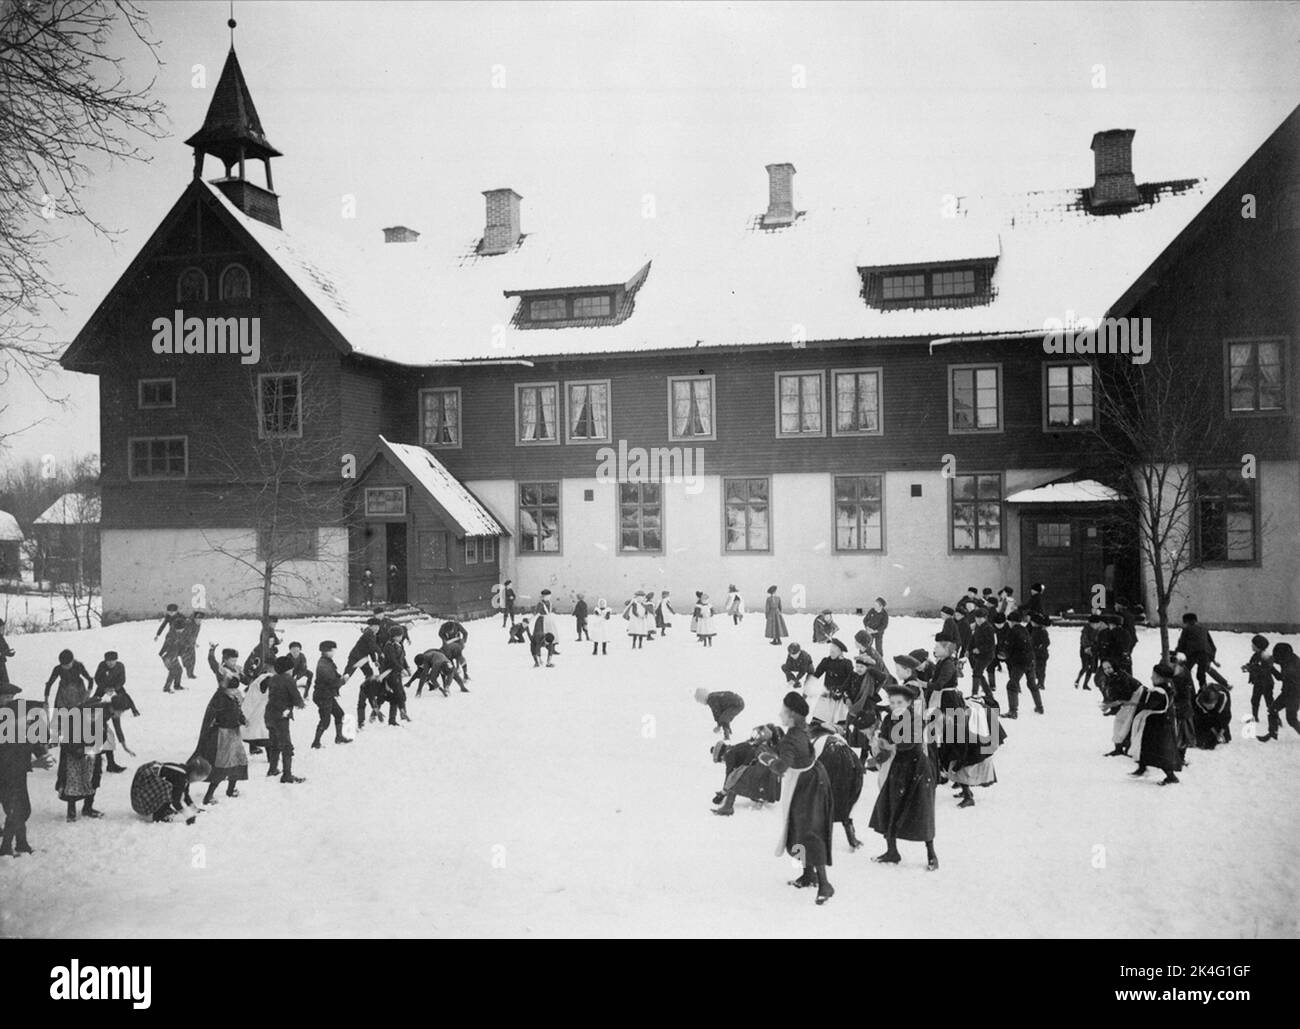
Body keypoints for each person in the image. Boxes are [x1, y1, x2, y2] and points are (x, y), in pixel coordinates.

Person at [757, 691, 835, 905]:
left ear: (791, 715)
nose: (779, 714)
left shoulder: (791, 738)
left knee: (809, 831)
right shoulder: (799, 730)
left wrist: (765, 757)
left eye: (783, 711)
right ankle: (808, 875)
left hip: (806, 786)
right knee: (800, 828)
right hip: (812, 780)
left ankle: (825, 884)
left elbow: (781, 767)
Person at [868, 680, 939, 871]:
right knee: (890, 806)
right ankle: (892, 851)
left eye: (899, 703)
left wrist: (891, 746)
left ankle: (931, 854)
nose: (895, 707)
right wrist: (879, 755)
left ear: (908, 703)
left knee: (921, 810)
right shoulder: (888, 719)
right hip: (898, 767)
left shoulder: (916, 718)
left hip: (917, 768)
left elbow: (909, 742)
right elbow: (883, 739)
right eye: (892, 703)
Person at [0, 684, 52, 855]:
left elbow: (29, 738)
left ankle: (21, 844)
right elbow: (5, 760)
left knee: (23, 809)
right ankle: (6, 848)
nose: (9, 700)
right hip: (5, 776)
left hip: (18, 774)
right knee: (15, 809)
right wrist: (33, 764)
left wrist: (41, 754)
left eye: (11, 697)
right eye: (6, 697)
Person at [195, 647, 250, 803]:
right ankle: (209, 795)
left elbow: (247, 681)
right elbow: (227, 715)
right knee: (224, 764)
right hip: (225, 733)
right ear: (225, 659)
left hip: (232, 731)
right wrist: (211, 652)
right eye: (231, 659)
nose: (234, 662)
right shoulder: (223, 690)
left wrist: (242, 719)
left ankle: (230, 789)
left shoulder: (232, 695)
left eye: (235, 659)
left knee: (238, 760)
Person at [809, 721, 865, 849]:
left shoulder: (817, 740)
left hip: (830, 758)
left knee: (822, 802)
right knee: (846, 799)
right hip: (852, 762)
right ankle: (851, 836)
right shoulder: (840, 740)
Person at [1126, 663, 1183, 785]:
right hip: (1155, 724)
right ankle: (1142, 768)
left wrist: (1130, 703)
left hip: (1158, 727)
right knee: (1144, 746)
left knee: (1159, 751)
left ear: (1161, 678)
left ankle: (1171, 776)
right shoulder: (1166, 689)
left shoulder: (1159, 692)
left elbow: (1150, 705)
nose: (1151, 678)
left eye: (1154, 676)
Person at [710, 724, 783, 815]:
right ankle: (759, 796)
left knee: (734, 778)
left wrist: (722, 793)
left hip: (759, 764)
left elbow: (729, 775)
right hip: (763, 764)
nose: (723, 762)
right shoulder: (737, 747)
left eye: (721, 760)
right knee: (738, 777)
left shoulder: (729, 754)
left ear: (722, 755)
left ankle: (728, 807)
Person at [92, 651, 138, 771]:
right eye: (121, 712)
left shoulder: (113, 711)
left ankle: (110, 764)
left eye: (113, 660)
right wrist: (105, 688)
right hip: (83, 721)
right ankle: (95, 762)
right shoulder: (99, 710)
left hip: (115, 686)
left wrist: (125, 746)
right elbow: (97, 678)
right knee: (102, 737)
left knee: (108, 736)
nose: (120, 715)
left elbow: (118, 729)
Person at [130, 757, 210, 824]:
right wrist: (188, 815)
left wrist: (194, 809)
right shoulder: (181, 777)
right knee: (169, 789)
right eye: (199, 779)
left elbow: (185, 794)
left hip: (146, 786)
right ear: (194, 774)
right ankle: (158, 815)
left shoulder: (185, 773)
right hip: (141, 794)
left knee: (173, 790)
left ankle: (163, 809)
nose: (197, 781)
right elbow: (176, 800)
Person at [265, 655, 306, 782]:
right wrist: (301, 704)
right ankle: (287, 775)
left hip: (269, 715)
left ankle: (272, 769)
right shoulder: (288, 679)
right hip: (281, 716)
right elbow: (295, 696)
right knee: (286, 746)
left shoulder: (273, 679)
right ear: (288, 669)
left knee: (274, 743)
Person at [312, 641, 353, 747]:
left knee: (339, 714)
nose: (333, 652)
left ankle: (339, 737)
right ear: (325, 651)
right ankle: (316, 742)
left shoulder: (327, 662)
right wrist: (342, 681)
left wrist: (342, 677)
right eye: (332, 650)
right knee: (325, 721)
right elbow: (330, 681)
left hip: (327, 694)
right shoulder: (323, 664)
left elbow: (334, 675)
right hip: (323, 695)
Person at [1002, 611, 1042, 717]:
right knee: (1032, 684)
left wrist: (1003, 655)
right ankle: (1039, 707)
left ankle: (1013, 711)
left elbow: (1009, 647)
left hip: (1020, 662)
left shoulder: (1012, 631)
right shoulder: (1024, 630)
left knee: (1011, 685)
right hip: (1031, 660)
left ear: (1011, 621)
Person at [809, 638, 855, 727]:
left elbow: (851, 679)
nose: (831, 653)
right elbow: (816, 674)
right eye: (830, 651)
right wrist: (810, 684)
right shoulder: (826, 661)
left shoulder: (847, 663)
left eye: (833, 652)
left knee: (840, 718)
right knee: (820, 716)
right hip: (827, 694)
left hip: (840, 695)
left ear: (840, 652)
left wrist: (846, 693)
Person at [1175, 613, 1221, 688]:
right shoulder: (1204, 628)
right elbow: (1212, 645)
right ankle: (1204, 690)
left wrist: (1176, 653)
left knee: (1185, 672)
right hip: (1205, 653)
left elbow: (1181, 644)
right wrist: (1211, 658)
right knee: (1201, 675)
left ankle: (1189, 690)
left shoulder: (1187, 629)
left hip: (1192, 653)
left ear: (1187, 622)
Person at [1265, 642, 1300, 740]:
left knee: (1291, 719)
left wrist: (1271, 667)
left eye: (1277, 655)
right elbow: (1276, 659)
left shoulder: (1293, 666)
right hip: (1287, 692)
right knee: (1272, 710)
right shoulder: (1288, 657)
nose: (1276, 658)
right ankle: (1272, 733)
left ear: (1283, 655)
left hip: (1295, 694)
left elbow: (1280, 677)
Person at [1244, 634, 1275, 734]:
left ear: (1258, 646)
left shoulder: (1265, 656)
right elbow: (1254, 665)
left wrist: (1251, 668)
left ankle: (1276, 718)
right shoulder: (1256, 655)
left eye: (1253, 644)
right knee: (1255, 700)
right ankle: (1255, 717)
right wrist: (1247, 667)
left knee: (1269, 702)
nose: (1251, 646)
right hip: (1259, 682)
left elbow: (1264, 669)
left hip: (1265, 683)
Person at [967, 606, 997, 704]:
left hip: (987, 655)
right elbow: (972, 639)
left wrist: (980, 649)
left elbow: (991, 643)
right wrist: (969, 649)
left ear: (985, 618)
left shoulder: (989, 628)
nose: (978, 620)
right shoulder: (977, 626)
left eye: (980, 618)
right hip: (978, 655)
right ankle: (988, 694)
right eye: (976, 618)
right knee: (979, 673)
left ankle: (974, 694)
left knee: (977, 672)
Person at [1192, 681, 1232, 749]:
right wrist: (1214, 732)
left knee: (1219, 720)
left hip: (1220, 705)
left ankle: (1223, 734)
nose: (1208, 708)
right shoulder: (1198, 701)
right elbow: (1204, 718)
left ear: (1215, 702)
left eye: (1210, 706)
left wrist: (1220, 732)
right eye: (1206, 706)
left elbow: (1227, 717)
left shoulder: (1223, 699)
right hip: (1204, 709)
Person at [1075, 613, 1101, 690]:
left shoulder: (1097, 630)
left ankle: (1085, 684)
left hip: (1093, 650)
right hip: (1085, 650)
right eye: (1095, 623)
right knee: (1085, 666)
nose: (1096, 625)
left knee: (1091, 668)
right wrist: (1087, 647)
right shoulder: (1086, 629)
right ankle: (1078, 680)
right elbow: (1084, 639)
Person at [1029, 611, 1051, 691]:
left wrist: (1039, 647)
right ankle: (1037, 681)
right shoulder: (1034, 630)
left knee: (1041, 669)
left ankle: (1041, 683)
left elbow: (1046, 642)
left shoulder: (1042, 631)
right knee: (1035, 668)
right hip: (1035, 653)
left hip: (1041, 654)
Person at [178, 611, 203, 680]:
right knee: (186, 660)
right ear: (194, 618)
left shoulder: (198, 625)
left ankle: (190, 673)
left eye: (201, 619)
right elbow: (186, 635)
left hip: (191, 644)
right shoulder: (189, 624)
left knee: (192, 659)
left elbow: (194, 635)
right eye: (198, 619)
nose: (199, 620)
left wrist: (194, 642)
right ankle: (186, 667)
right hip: (184, 644)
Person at [0, 616, 14, 685]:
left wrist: (9, 653)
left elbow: (5, 648)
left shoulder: (1, 638)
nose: (2, 629)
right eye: (1, 627)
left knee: (5, 682)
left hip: (1, 663)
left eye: (2, 627)